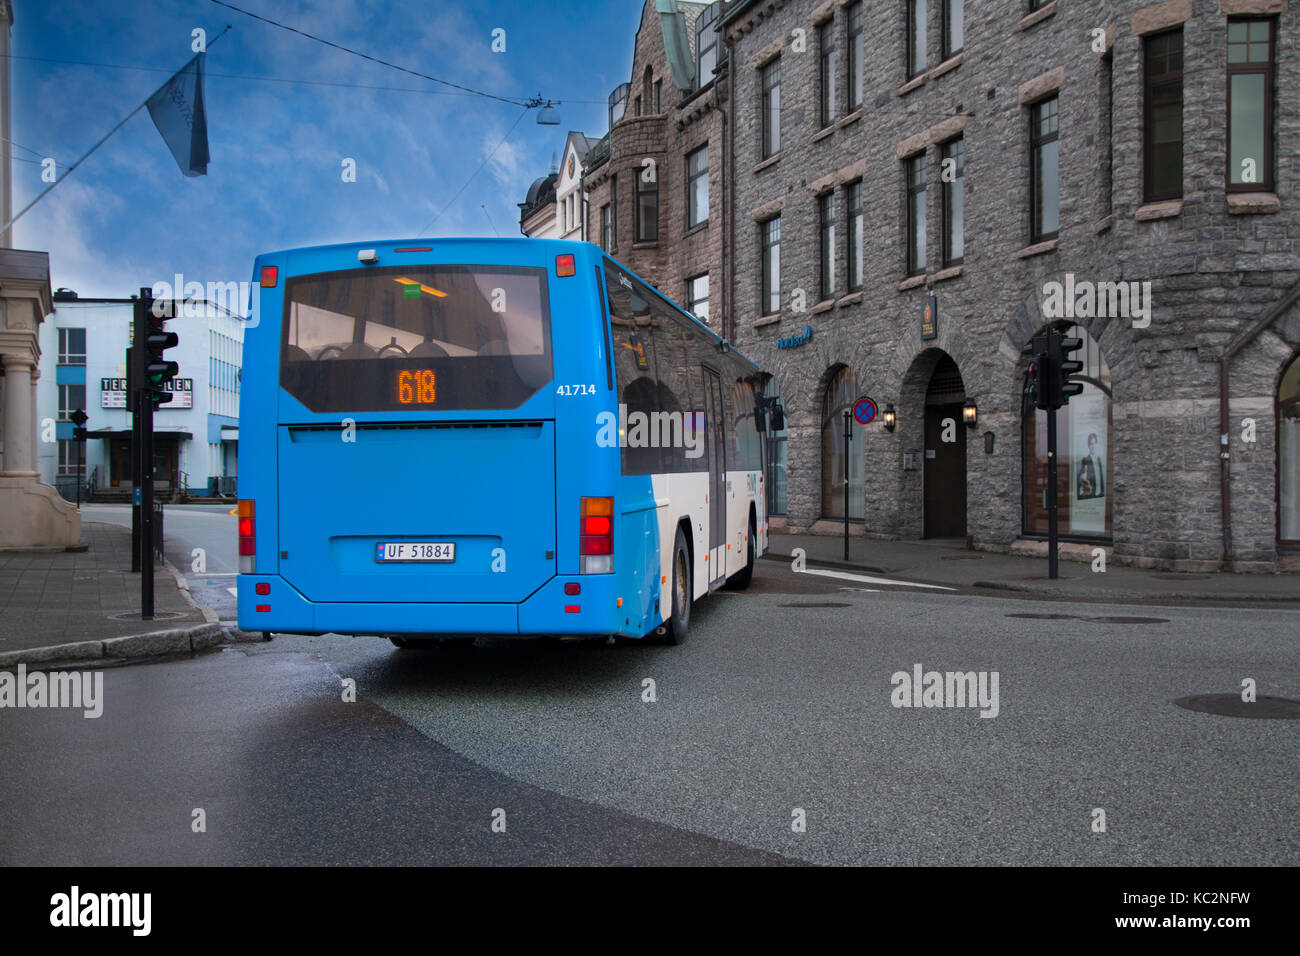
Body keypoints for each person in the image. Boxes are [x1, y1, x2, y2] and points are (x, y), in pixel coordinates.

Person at [1077, 432, 1105, 499]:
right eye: (1091, 444)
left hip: (1100, 495)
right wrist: (1082, 477)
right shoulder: (1086, 460)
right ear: (1088, 446)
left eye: (1095, 443)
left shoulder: (1099, 460)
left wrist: (1103, 492)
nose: (1093, 446)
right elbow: (1082, 476)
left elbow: (1101, 478)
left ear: (1097, 444)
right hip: (1091, 495)